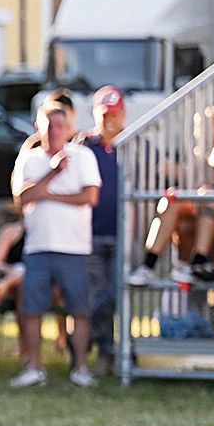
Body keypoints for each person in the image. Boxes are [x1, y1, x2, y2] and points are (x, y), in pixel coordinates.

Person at [11, 100, 100, 388]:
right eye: (49, 126)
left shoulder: (83, 156)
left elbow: (89, 197)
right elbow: (22, 197)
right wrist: (52, 174)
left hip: (74, 248)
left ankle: (81, 368)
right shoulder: (29, 159)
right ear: (38, 128)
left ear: (69, 127)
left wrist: (47, 194)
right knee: (32, 309)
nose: (55, 131)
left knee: (80, 309)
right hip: (38, 247)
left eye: (60, 125)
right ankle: (35, 367)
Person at [130, 133, 214, 286]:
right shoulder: (210, 178)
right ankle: (148, 265)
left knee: (210, 200)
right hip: (194, 238)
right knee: (174, 201)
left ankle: (198, 265)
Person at [80, 86, 124, 371]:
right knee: (99, 293)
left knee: (117, 292)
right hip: (90, 234)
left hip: (123, 234)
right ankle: (106, 351)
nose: (109, 120)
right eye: (104, 114)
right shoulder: (84, 147)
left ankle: (92, 341)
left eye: (114, 114)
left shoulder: (135, 144)